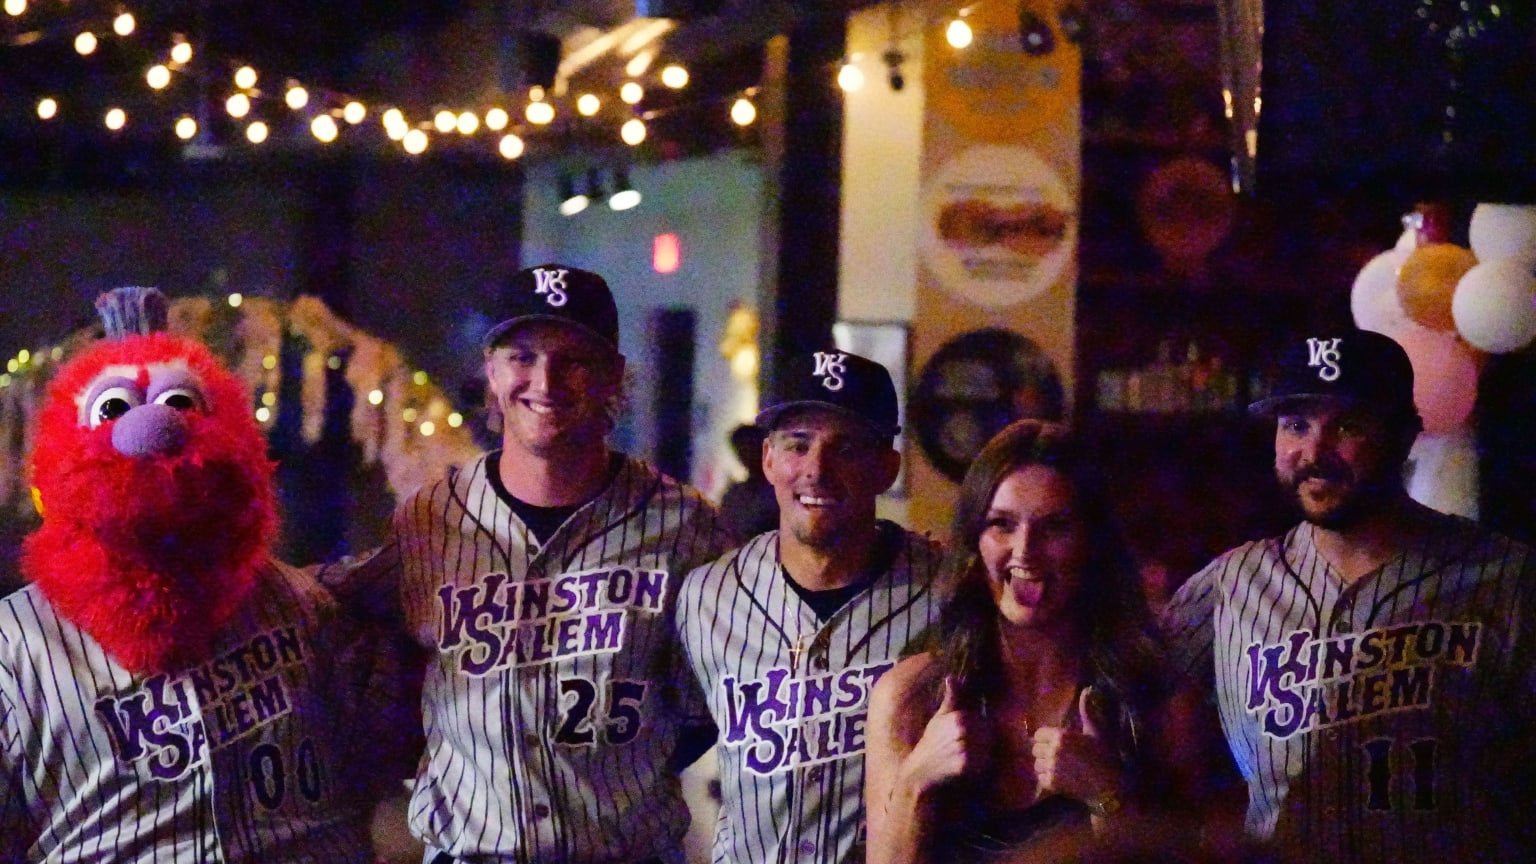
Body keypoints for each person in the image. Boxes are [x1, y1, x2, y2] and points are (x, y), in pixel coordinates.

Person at [324, 264, 732, 864]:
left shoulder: (685, 526)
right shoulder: (430, 520)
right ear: (491, 369)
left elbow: (711, 705)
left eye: (574, 360)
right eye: (523, 356)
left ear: (613, 375)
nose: (546, 379)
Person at [0, 287, 391, 862]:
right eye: (113, 409)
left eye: (180, 403)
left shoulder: (302, 604)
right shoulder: (15, 647)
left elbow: (380, 759)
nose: (154, 426)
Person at [1161, 329, 1536, 863]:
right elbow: (1126, 683)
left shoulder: (1507, 579)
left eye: (1348, 426)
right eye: (1296, 425)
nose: (1315, 451)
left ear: (1405, 436)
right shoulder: (1231, 584)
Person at [864, 419, 1208, 864]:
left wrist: (1107, 795)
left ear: (1091, 543)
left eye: (1054, 527)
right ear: (973, 542)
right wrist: (916, 781)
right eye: (1002, 525)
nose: (1025, 550)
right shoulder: (910, 695)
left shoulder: (1159, 700)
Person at [674, 349, 943, 864]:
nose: (817, 470)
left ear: (887, 467)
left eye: (845, 449)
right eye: (798, 445)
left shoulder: (945, 595)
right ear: (768, 458)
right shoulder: (704, 597)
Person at [717, 423, 778, 542]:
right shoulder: (735, 495)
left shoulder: (783, 489)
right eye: (742, 450)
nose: (747, 455)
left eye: (751, 447)